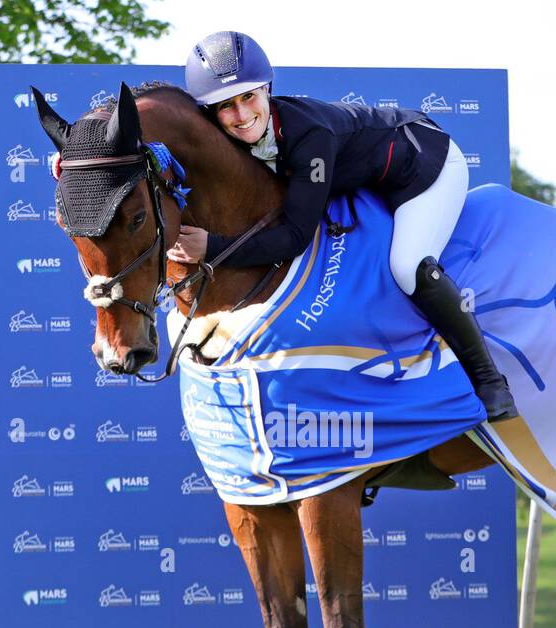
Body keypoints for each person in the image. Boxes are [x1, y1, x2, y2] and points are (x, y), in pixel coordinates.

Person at [172, 30, 517, 422]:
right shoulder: (234, 139)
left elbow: (295, 237)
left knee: (409, 266)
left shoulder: (308, 136)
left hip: (422, 163)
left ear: (267, 89)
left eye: (248, 96)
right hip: (364, 177)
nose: (241, 114)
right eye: (225, 106)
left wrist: (214, 249)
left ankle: (490, 383)